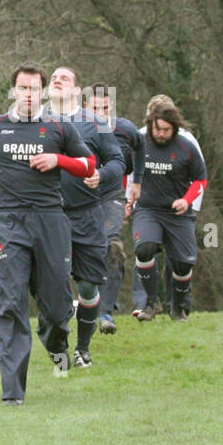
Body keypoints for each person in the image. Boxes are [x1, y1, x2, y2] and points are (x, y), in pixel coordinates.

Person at [0, 62, 96, 405]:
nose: (28, 95)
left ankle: (57, 345)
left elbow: (89, 165)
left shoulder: (58, 127)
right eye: (22, 88)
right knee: (10, 302)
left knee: (54, 309)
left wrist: (58, 160)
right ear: (14, 91)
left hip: (51, 222)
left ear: (42, 92)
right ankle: (13, 393)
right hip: (10, 222)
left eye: (34, 89)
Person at [43, 67, 124, 368]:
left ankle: (83, 348)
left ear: (77, 91)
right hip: (49, 216)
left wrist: (101, 176)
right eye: (53, 78)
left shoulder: (96, 124)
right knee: (54, 287)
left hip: (88, 214)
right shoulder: (35, 121)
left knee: (88, 286)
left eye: (64, 78)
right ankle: (60, 349)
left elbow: (118, 161)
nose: (57, 80)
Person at [128, 94, 206, 320]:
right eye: (157, 129)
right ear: (150, 124)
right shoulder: (139, 141)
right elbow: (126, 171)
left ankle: (178, 307)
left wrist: (187, 200)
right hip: (148, 209)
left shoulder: (187, 146)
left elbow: (201, 179)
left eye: (166, 130)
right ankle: (151, 303)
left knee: (182, 264)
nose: (161, 134)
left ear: (174, 128)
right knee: (145, 249)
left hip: (178, 213)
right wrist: (127, 200)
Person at [85, 84, 144, 334]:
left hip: (112, 196)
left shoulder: (126, 129)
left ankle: (106, 313)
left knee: (113, 247)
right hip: (78, 198)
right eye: (95, 108)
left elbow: (140, 149)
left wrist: (137, 183)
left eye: (106, 108)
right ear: (85, 106)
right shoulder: (70, 126)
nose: (101, 113)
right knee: (78, 251)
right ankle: (80, 303)